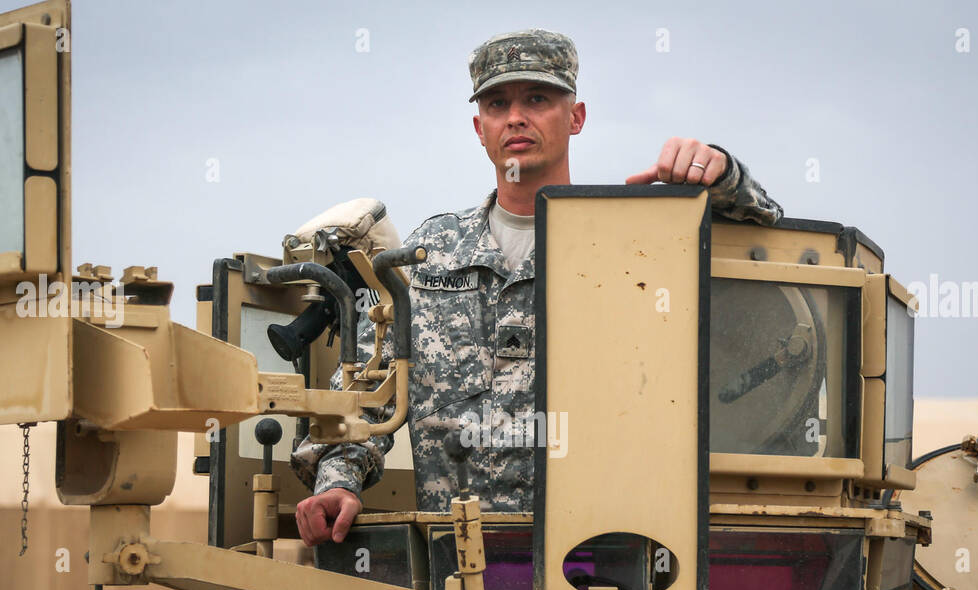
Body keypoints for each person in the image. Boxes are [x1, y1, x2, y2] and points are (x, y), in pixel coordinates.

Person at [292, 28, 782, 546]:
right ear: (479, 128)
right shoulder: (429, 253)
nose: (516, 117)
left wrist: (721, 172)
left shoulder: (630, 242)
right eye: (498, 103)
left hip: (605, 563)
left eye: (538, 99)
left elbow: (764, 240)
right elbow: (368, 396)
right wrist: (338, 482)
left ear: (576, 117)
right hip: (460, 568)